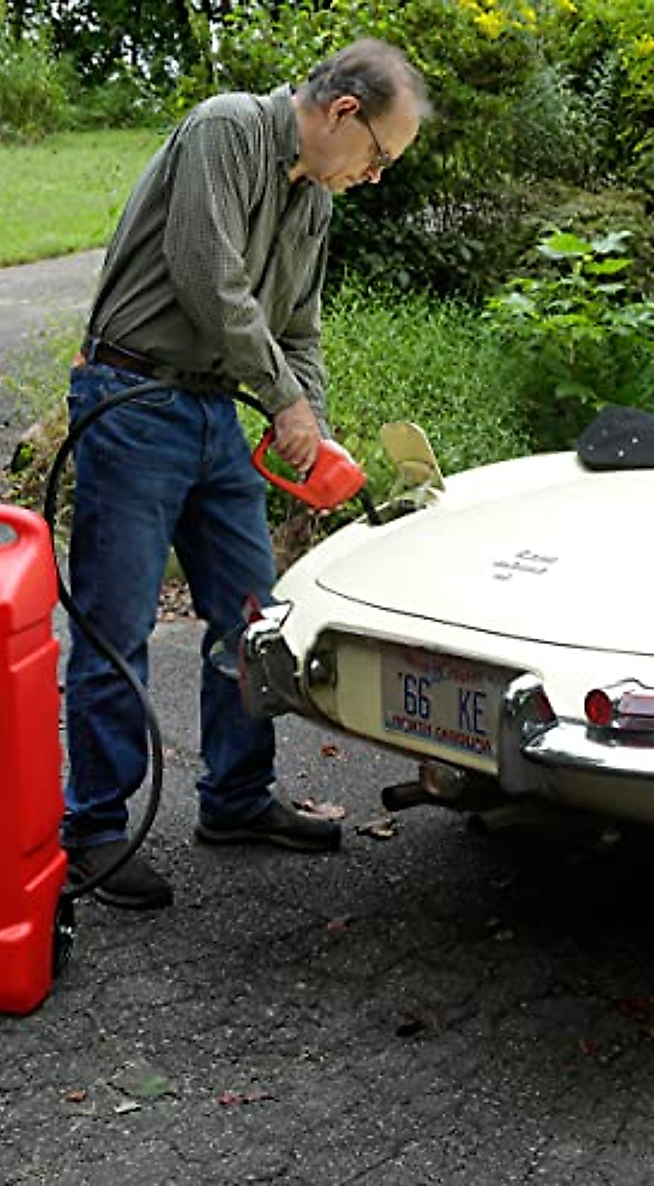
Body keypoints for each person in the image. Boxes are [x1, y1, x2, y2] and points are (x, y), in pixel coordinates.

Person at [62, 38, 430, 909]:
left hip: (214, 412)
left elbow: (297, 332)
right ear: (344, 113)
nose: (374, 176)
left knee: (252, 615)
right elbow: (208, 280)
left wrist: (314, 427)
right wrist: (283, 400)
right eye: (379, 155)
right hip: (130, 399)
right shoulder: (225, 129)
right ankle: (95, 832)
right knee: (118, 623)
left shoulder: (316, 205)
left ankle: (234, 799)